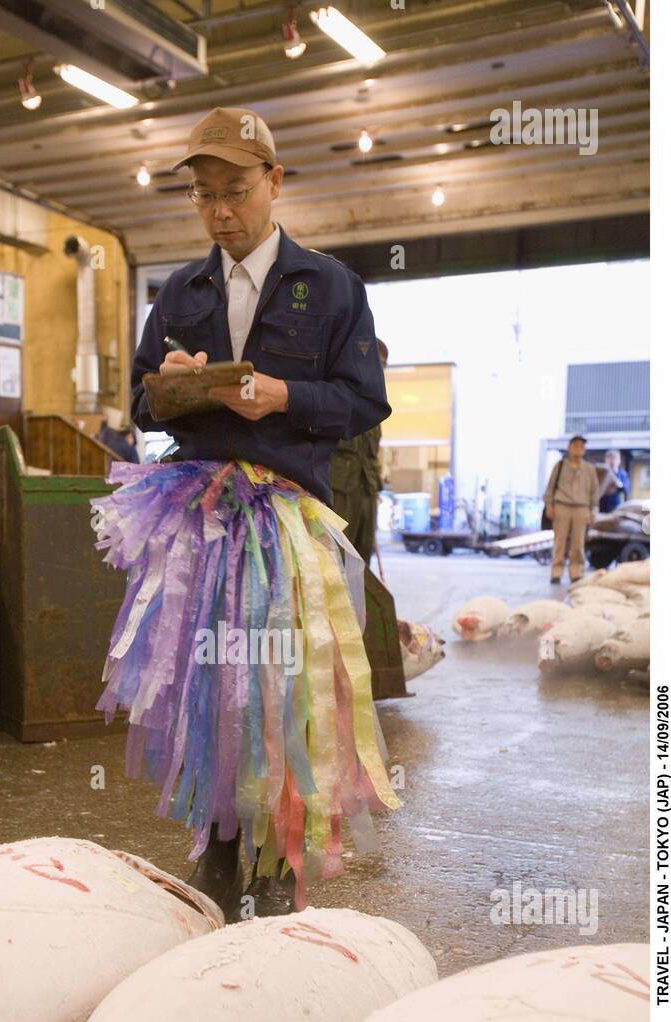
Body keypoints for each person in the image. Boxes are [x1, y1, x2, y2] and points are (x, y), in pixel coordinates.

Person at [94, 105, 398, 920]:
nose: (220, 210)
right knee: (212, 693)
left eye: (235, 190)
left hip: (285, 525)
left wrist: (283, 396)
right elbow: (139, 405)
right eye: (202, 196)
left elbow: (364, 400)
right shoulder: (179, 294)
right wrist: (174, 383)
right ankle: (220, 850)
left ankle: (274, 857)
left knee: (278, 691)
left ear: (274, 182)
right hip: (199, 525)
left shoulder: (329, 287)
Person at [329, 339, 389, 563]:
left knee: (362, 563)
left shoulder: (375, 408)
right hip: (339, 492)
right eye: (377, 363)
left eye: (384, 365)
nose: (380, 370)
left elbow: (372, 456)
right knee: (337, 561)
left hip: (366, 492)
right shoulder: (336, 395)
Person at [543, 434, 599, 584]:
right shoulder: (560, 466)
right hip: (561, 506)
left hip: (582, 508)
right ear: (569, 448)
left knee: (578, 543)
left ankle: (576, 572)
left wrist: (593, 510)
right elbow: (550, 487)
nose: (578, 449)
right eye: (575, 445)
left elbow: (594, 491)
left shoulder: (589, 469)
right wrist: (549, 505)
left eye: (582, 446)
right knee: (559, 541)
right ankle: (556, 572)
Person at [598, 448, 630, 513]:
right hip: (601, 508)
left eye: (615, 458)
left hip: (617, 507)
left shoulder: (622, 474)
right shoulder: (601, 474)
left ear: (619, 461)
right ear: (605, 460)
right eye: (610, 458)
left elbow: (626, 490)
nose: (612, 461)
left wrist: (617, 484)